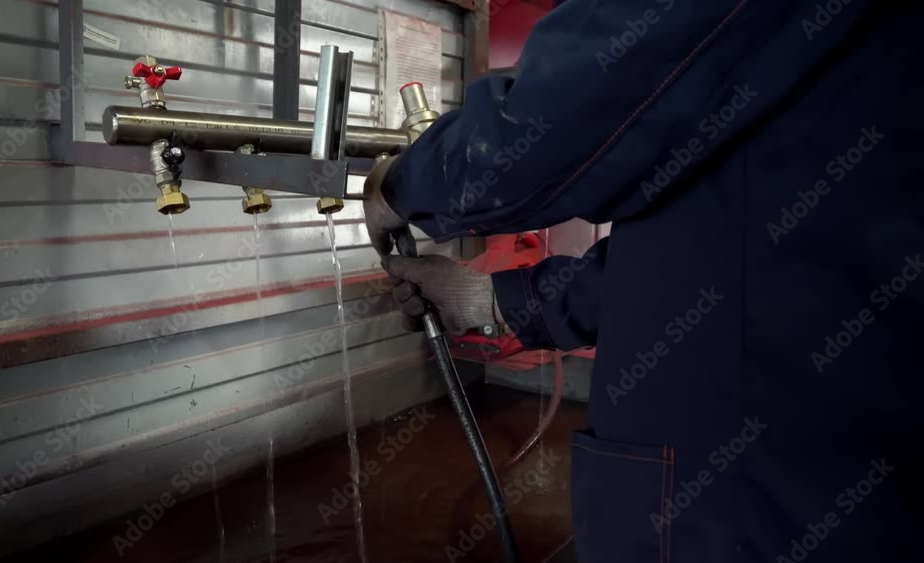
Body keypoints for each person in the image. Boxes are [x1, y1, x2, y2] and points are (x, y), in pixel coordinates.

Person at [363, 1, 922, 561]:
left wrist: (402, 183)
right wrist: (495, 300)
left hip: (743, 500)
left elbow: (565, 107)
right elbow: (698, 263)